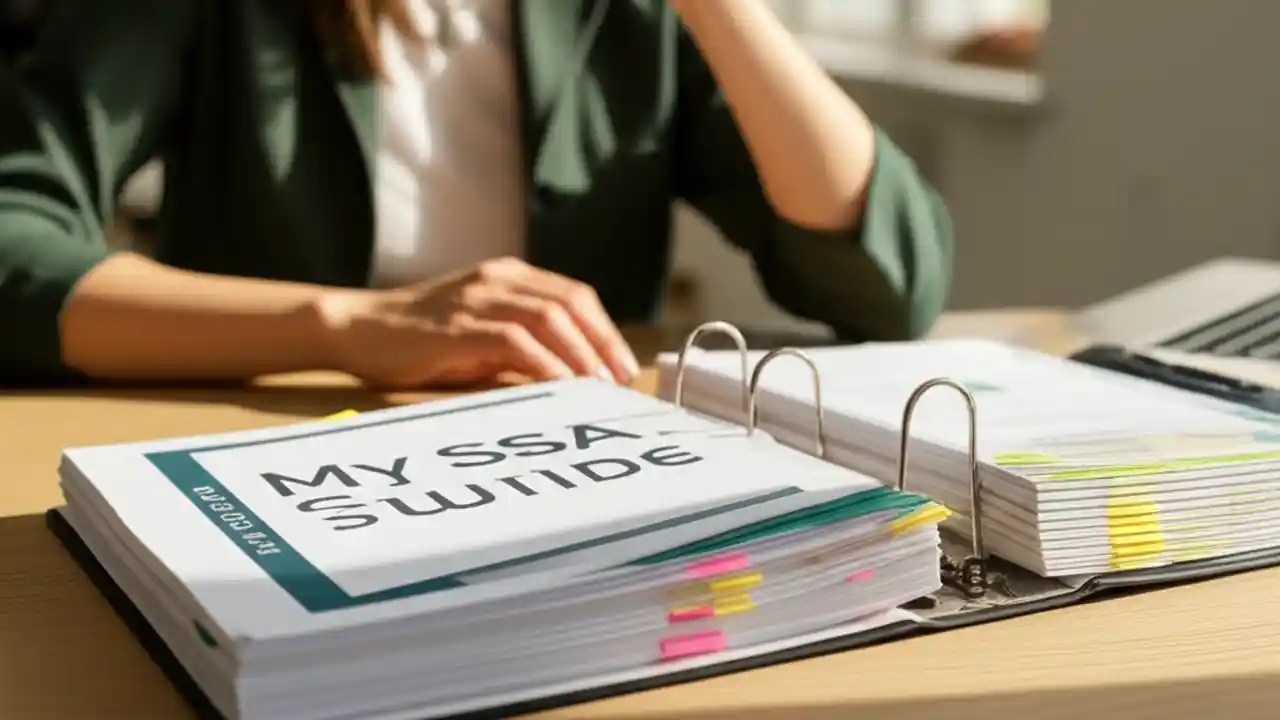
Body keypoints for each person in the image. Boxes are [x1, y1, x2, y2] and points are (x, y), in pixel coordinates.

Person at [0, 0, 953, 388]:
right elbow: (13, 239)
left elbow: (886, 282)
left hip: (572, 463)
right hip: (273, 440)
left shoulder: (622, 18)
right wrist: (348, 324)